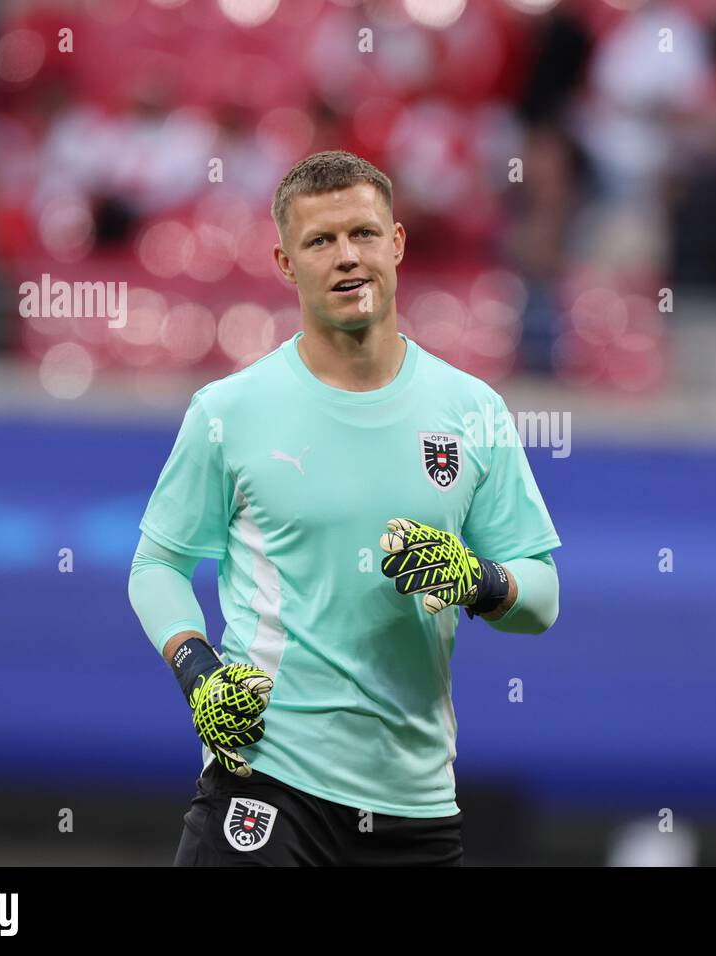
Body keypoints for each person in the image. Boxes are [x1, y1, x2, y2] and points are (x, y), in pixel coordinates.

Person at [127, 150, 562, 866]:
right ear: (285, 262)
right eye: (320, 242)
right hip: (267, 778)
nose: (346, 257)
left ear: (395, 242)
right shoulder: (230, 411)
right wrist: (194, 664)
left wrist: (479, 581)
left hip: (414, 804)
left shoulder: (471, 409)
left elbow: (541, 598)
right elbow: (158, 562)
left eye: (363, 234)